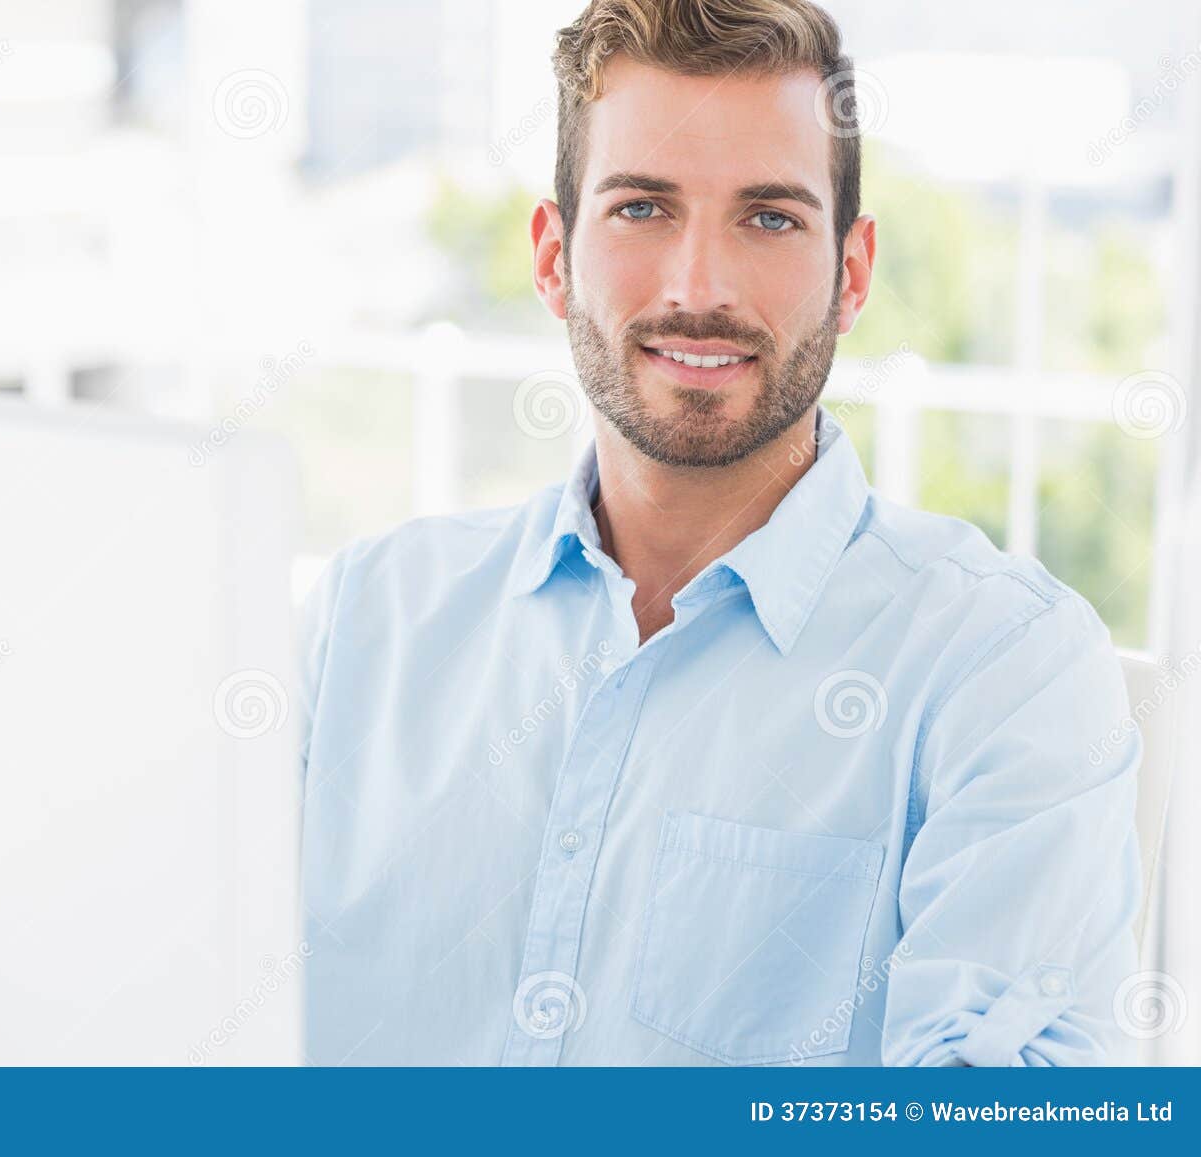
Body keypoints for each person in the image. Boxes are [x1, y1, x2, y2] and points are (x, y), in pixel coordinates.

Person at [296, 0, 1142, 1066]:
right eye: (643, 207)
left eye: (771, 217)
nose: (699, 289)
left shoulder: (1000, 670)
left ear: (853, 271)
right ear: (553, 257)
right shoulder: (362, 620)